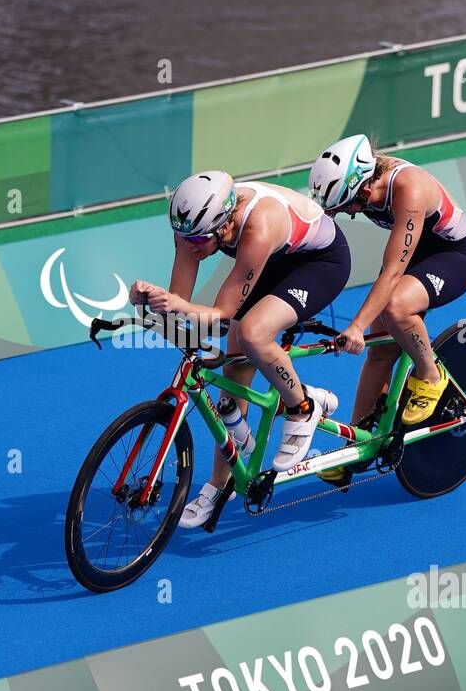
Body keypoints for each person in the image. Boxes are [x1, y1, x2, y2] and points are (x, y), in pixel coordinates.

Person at [130, 171, 351, 527]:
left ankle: (303, 406)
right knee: (234, 374)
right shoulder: (192, 224)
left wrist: (179, 308)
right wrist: (149, 300)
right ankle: (222, 483)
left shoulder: (259, 224)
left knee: (251, 332)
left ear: (224, 222)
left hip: (318, 263)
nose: (191, 246)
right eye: (184, 239)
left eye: (200, 239)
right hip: (269, 260)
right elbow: (180, 301)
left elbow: (221, 313)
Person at [308, 134, 466, 485]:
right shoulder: (361, 189)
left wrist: (356, 325)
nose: (343, 214)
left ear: (362, 186)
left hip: (455, 257)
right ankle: (358, 443)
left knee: (396, 306)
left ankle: (431, 376)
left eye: (345, 205)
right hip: (419, 257)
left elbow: (392, 271)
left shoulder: (410, 188)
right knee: (380, 351)